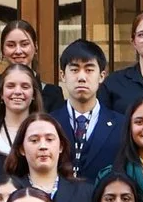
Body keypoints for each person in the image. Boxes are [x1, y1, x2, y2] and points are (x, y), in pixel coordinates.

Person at [52, 38, 124, 183]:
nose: (82, 77)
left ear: (102, 76)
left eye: (89, 70)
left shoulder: (121, 125)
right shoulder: (50, 122)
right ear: (62, 75)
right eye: (74, 70)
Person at [9, 114, 92, 202]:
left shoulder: (84, 192)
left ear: (61, 146)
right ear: (22, 149)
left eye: (49, 139)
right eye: (34, 140)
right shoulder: (11, 190)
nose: (43, 146)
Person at [0, 20, 65, 116]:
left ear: (35, 47)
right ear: (2, 50)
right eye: (11, 45)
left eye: (24, 44)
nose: (18, 51)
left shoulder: (53, 94)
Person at [0, 61, 45, 156]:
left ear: (33, 94)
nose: (17, 91)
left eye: (25, 87)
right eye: (10, 86)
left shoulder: (47, 129)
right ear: (1, 93)